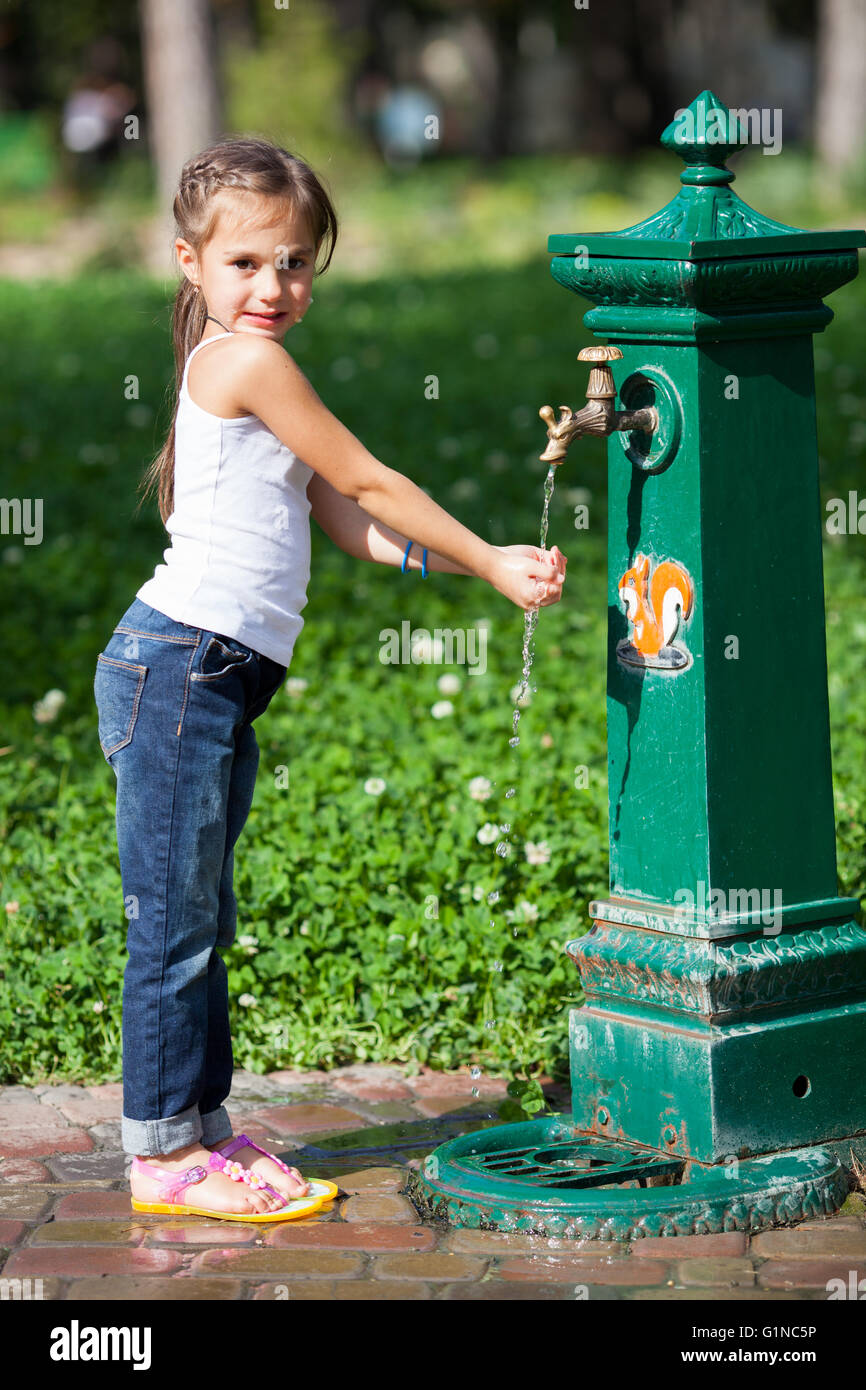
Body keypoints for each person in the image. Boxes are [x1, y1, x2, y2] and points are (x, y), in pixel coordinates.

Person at [93, 136, 567, 1223]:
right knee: (169, 922)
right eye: (247, 263)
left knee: (197, 913)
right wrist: (491, 556)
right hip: (177, 668)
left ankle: (200, 1128)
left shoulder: (243, 365)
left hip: (207, 677)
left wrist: (467, 568)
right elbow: (366, 473)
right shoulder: (246, 362)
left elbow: (343, 516)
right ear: (188, 263)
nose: (273, 287)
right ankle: (163, 1155)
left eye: (295, 263)